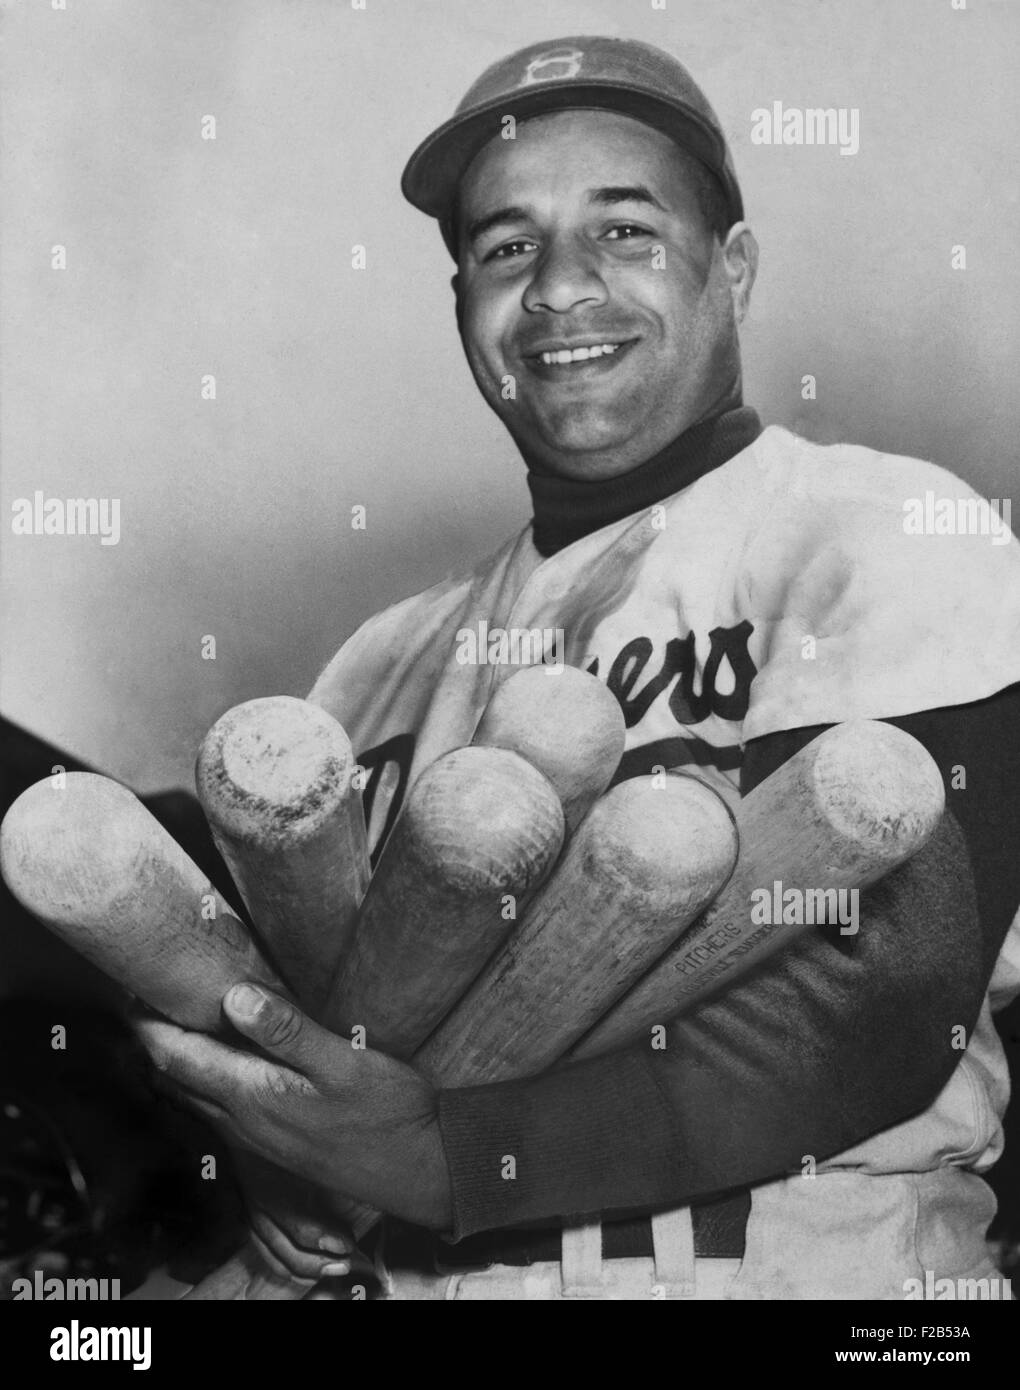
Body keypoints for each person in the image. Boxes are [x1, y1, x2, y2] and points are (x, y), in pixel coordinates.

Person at [139, 36, 1020, 1300]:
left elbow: (884, 996)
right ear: (464, 309)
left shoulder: (877, 534)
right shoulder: (373, 671)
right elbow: (290, 1044)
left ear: (735, 271)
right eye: (505, 247)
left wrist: (458, 1163)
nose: (557, 287)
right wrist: (275, 1154)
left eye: (623, 231)